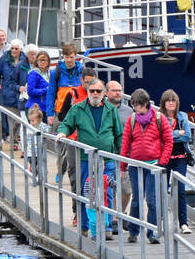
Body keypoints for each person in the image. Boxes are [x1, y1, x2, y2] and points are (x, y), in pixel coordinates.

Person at [58, 75, 123, 237]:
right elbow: (67, 124)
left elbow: (119, 134)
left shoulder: (111, 110)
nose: (95, 93)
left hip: (107, 158)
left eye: (98, 91)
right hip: (86, 159)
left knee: (107, 192)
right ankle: (85, 225)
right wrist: (62, 133)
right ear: (88, 92)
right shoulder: (78, 109)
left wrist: (122, 159)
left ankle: (107, 227)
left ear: (104, 93)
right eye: (92, 90)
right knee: (85, 192)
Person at [120, 88, 173, 243]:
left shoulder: (159, 118)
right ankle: (133, 231)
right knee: (137, 198)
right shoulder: (132, 120)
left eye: (137, 105)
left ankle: (153, 232)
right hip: (136, 164)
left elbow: (169, 141)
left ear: (144, 104)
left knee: (152, 199)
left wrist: (162, 162)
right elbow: (125, 143)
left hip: (153, 165)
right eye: (133, 105)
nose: (135, 109)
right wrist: (123, 167)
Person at [159, 89, 194, 234]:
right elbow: (161, 137)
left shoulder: (183, 116)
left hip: (181, 159)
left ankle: (183, 223)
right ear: (164, 103)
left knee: (180, 190)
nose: (171, 103)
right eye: (168, 100)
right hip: (164, 158)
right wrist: (177, 133)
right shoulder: (159, 118)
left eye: (173, 100)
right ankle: (159, 220)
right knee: (161, 190)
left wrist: (171, 136)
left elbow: (187, 137)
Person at [0, 39, 27, 154]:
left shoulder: (25, 60)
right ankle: (11, 141)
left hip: (20, 93)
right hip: (7, 93)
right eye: (12, 48)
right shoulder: (4, 59)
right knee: (9, 119)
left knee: (19, 120)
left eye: (16, 48)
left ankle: (15, 140)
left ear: (20, 49)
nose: (14, 51)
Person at [106, 79, 132, 219]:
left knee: (127, 190)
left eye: (119, 90)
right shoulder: (102, 108)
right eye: (114, 90)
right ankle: (113, 217)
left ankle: (119, 213)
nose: (118, 93)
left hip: (124, 156)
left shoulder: (128, 111)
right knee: (110, 189)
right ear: (107, 92)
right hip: (108, 156)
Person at [51, 42, 85, 127]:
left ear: (76, 56)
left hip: (80, 112)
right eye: (67, 57)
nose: (69, 60)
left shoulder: (83, 71)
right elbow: (51, 93)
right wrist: (50, 114)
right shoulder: (55, 72)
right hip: (60, 112)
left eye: (71, 57)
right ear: (63, 56)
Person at [24, 50, 55, 124]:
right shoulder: (34, 73)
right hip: (35, 108)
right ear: (36, 61)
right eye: (40, 60)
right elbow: (30, 91)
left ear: (48, 61)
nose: (42, 62)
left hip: (45, 107)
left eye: (44, 60)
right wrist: (46, 90)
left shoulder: (49, 72)